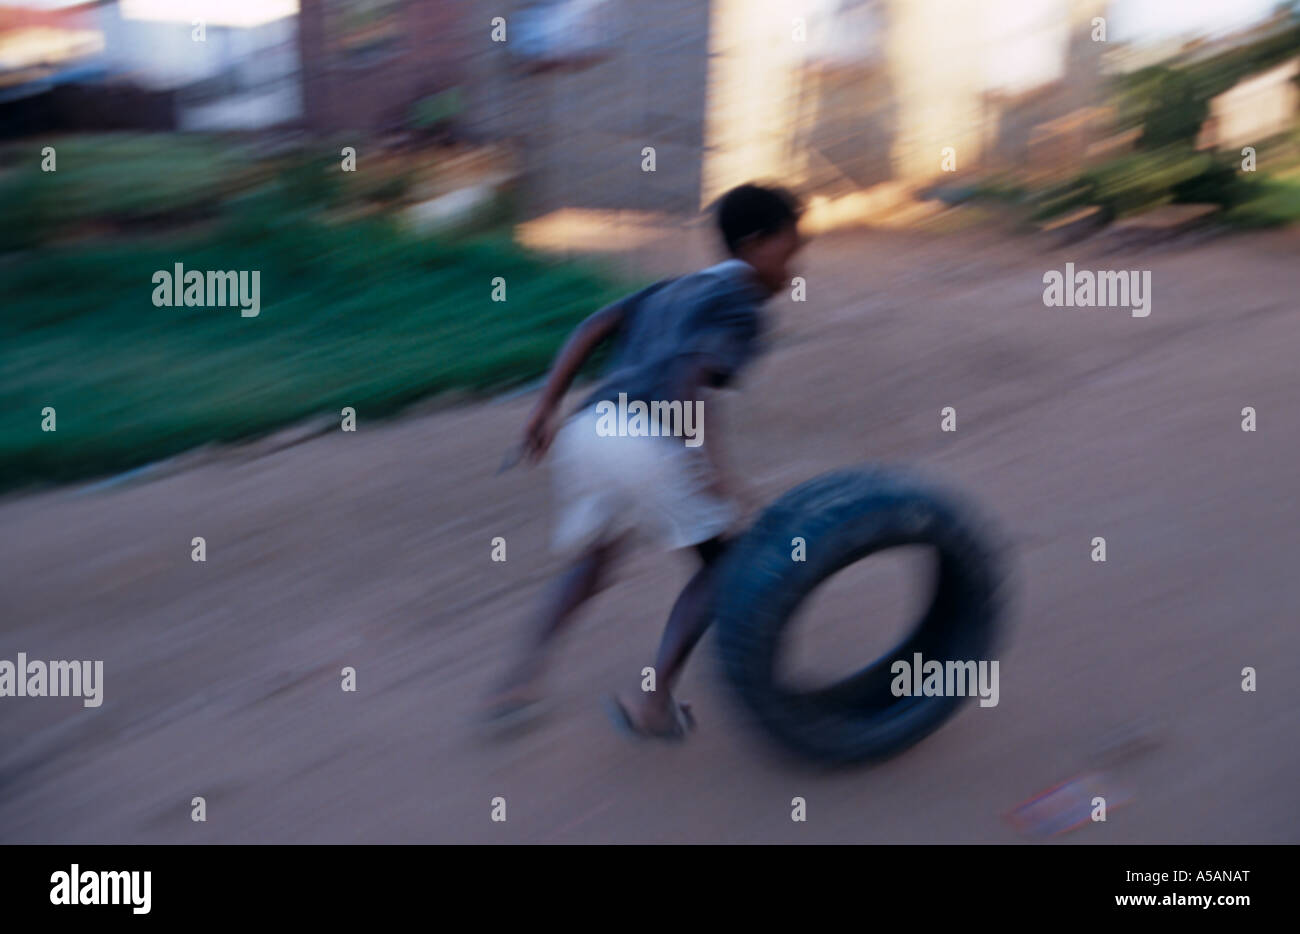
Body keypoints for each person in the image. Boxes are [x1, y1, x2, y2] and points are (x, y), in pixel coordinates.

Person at [487, 183, 804, 739]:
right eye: (790, 248)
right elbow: (691, 375)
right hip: (648, 438)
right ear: (754, 246)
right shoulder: (742, 306)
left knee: (593, 562)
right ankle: (652, 703)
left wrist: (543, 408)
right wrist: (709, 465)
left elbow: (593, 327)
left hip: (589, 431)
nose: (795, 266)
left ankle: (519, 682)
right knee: (723, 564)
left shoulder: (675, 288)